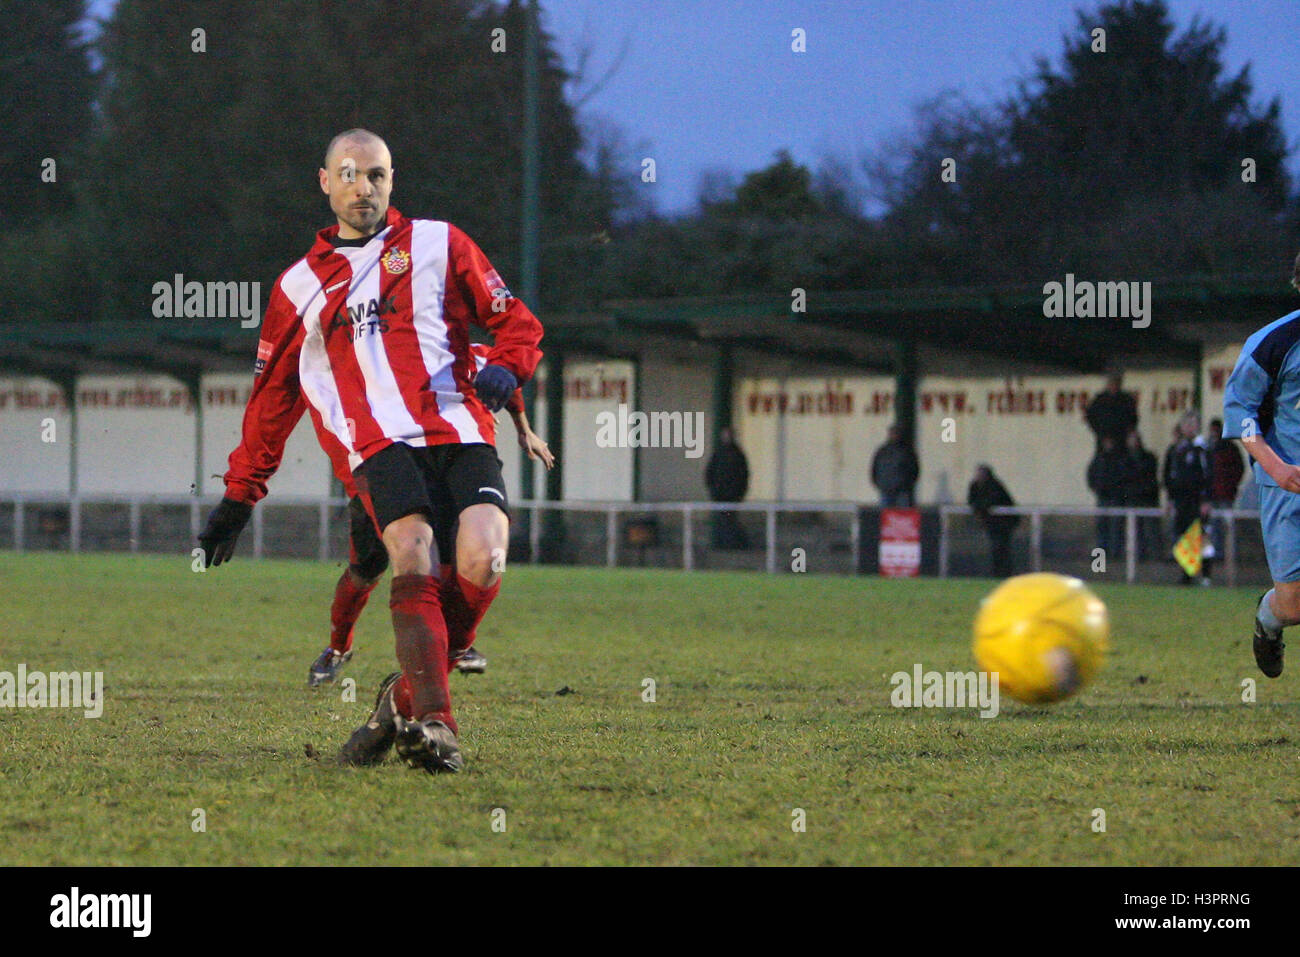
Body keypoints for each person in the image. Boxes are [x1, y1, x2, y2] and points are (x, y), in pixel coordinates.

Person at [198, 129, 543, 774]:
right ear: (325, 181)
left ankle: (398, 699)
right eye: (350, 174)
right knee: (410, 551)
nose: (365, 187)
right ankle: (437, 724)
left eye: (377, 174)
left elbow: (515, 322)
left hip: (460, 428)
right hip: (378, 444)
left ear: (393, 179)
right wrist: (240, 495)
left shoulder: (443, 243)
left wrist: (508, 365)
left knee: (487, 553)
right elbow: (273, 397)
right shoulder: (299, 285)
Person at [307, 344, 556, 688]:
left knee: (459, 557)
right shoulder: (384, 354)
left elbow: (508, 381)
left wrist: (524, 429)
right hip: (393, 468)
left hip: (455, 463)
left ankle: (451, 645)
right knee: (365, 571)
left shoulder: (473, 352)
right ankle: (337, 648)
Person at [1223, 263, 1300, 678]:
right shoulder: (1274, 341)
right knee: (1293, 606)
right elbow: (1241, 412)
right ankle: (1269, 620)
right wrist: (1276, 466)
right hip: (1286, 484)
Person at [1162, 411, 1211, 585]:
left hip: (1197, 502)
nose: (1190, 427)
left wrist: (1206, 500)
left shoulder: (1202, 449)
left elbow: (1208, 475)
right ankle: (1187, 575)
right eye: (1187, 424)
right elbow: (1168, 476)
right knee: (1183, 538)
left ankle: (1206, 576)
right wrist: (1170, 499)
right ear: (1182, 427)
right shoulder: (1176, 450)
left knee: (1202, 537)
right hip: (1181, 502)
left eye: (1193, 424)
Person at [1202, 417, 1244, 583]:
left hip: (1226, 496)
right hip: (1214, 497)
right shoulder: (1209, 449)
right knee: (1213, 529)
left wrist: (1231, 486)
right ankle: (1217, 557)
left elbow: (1238, 469)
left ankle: (1228, 557)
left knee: (1227, 527)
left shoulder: (1229, 449)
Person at [967, 464, 1018, 578]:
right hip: (992, 523)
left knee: (1002, 548)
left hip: (1004, 523)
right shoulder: (975, 486)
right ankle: (997, 573)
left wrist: (981, 508)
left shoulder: (995, 486)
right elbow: (972, 501)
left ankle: (1003, 573)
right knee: (996, 548)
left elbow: (992, 501)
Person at [706, 426, 750, 549]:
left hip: (733, 496)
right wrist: (714, 491)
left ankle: (734, 545)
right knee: (723, 521)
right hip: (720, 496)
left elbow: (744, 475)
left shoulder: (738, 454)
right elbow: (709, 473)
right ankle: (724, 545)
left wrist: (740, 493)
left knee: (730, 521)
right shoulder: (718, 454)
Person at [1122, 429, 1161, 561]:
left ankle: (1155, 558)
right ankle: (1137, 559)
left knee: (1151, 530)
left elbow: (1151, 478)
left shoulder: (1148, 458)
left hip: (1147, 500)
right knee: (1135, 532)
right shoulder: (1125, 460)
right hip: (1133, 500)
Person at [1086, 434, 1127, 559]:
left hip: (1115, 498)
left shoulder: (1119, 460)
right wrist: (1097, 489)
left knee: (1116, 528)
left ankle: (1115, 555)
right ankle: (1100, 558)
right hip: (1103, 498)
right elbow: (1091, 476)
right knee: (1101, 528)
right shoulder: (1099, 460)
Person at [1085, 373, 1138, 449]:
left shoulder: (1126, 400)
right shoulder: (1099, 400)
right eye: (1112, 383)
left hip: (1122, 440)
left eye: (1116, 383)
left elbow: (1133, 418)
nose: (1114, 386)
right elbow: (1090, 418)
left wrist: (1130, 433)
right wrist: (1102, 436)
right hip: (1104, 441)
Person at [871, 424, 920, 507]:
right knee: (886, 515)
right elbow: (875, 468)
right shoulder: (882, 451)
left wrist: (907, 485)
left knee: (903, 516)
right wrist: (879, 484)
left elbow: (914, 469)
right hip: (886, 490)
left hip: (902, 491)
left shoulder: (906, 451)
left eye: (896, 433)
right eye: (892, 433)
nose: (894, 435)